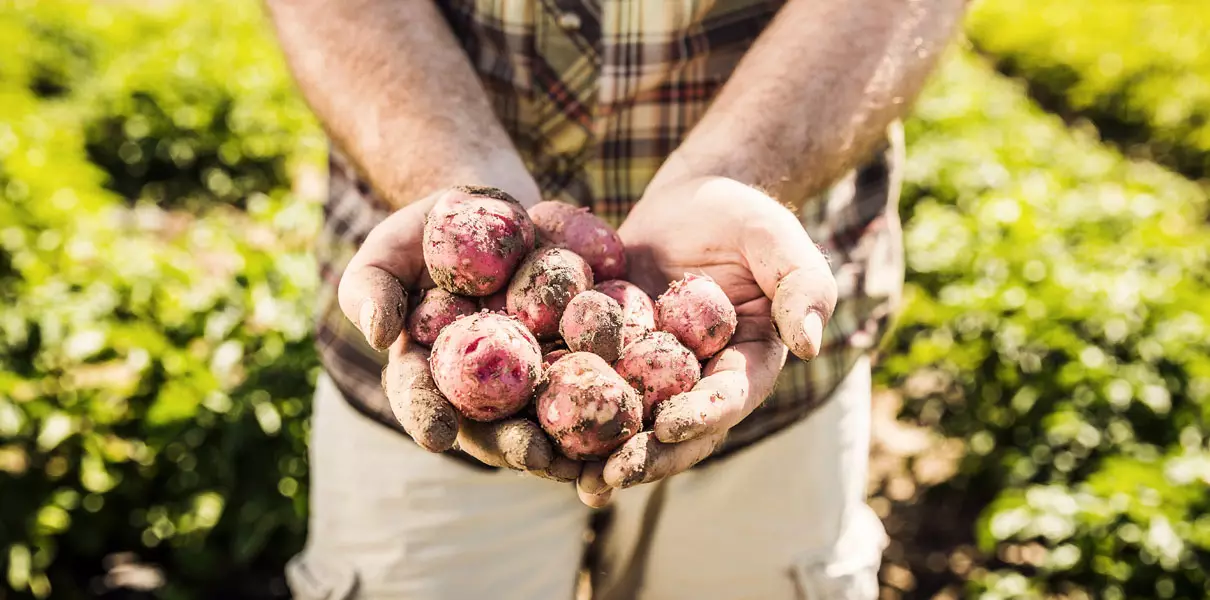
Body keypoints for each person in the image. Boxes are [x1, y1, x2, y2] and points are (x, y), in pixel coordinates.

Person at [265, 0, 964, 598]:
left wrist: (738, 172)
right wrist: (451, 178)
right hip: (404, 322)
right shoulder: (470, 309)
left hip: (764, 324)